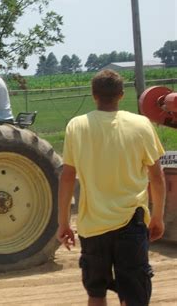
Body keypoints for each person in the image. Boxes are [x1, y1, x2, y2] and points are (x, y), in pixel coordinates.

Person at [56, 69, 166, 305]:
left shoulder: (76, 126)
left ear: (94, 95)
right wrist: (157, 217)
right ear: (121, 95)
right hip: (131, 223)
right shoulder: (141, 124)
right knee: (134, 294)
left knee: (96, 294)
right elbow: (156, 177)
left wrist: (63, 223)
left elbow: (67, 177)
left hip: (92, 226)